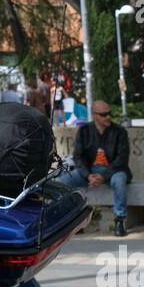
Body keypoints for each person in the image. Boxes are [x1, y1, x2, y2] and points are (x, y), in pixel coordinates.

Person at [57, 100, 131, 237]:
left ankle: (120, 219)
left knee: (120, 180)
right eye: (103, 114)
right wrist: (88, 175)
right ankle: (71, 220)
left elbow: (122, 159)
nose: (108, 117)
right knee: (62, 183)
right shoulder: (84, 131)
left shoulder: (120, 132)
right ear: (95, 115)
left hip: (113, 170)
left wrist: (104, 176)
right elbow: (77, 157)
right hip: (89, 171)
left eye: (109, 113)